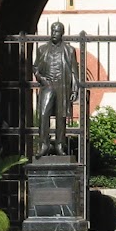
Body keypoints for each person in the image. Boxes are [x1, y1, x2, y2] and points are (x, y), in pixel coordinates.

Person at [34, 22, 80, 158]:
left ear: (62, 33)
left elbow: (73, 72)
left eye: (57, 32)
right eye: (53, 31)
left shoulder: (69, 50)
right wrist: (41, 79)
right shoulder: (42, 49)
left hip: (62, 86)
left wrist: (74, 90)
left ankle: (60, 144)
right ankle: (44, 144)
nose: (54, 34)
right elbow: (35, 68)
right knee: (43, 114)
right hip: (47, 85)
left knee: (61, 117)